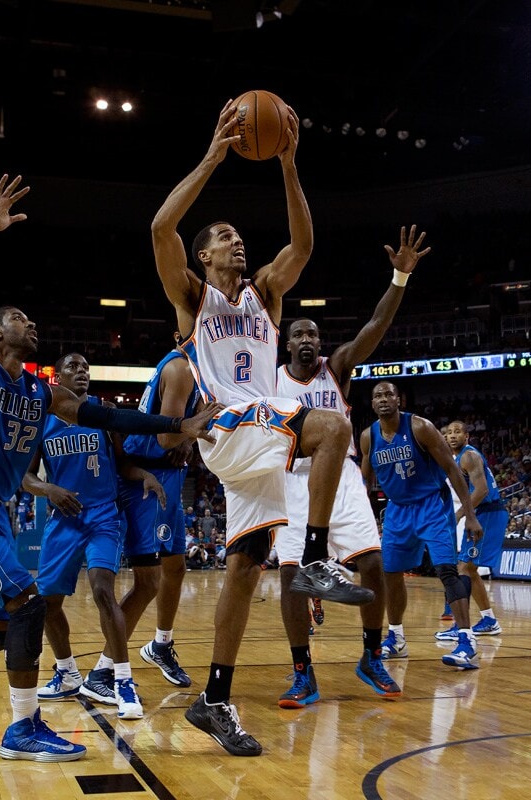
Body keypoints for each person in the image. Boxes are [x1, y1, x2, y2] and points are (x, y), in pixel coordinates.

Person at [0, 175, 219, 762]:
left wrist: (174, 429)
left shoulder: (41, 393)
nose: (30, 324)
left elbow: (106, 419)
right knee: (31, 606)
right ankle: (22, 729)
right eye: (18, 318)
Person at [151, 99, 372, 757]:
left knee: (243, 568)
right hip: (235, 424)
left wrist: (289, 162)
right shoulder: (195, 299)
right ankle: (313, 561)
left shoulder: (267, 293)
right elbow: (162, 225)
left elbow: (302, 245)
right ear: (204, 255)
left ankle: (214, 699)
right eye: (222, 235)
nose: (235, 240)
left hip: (259, 448)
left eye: (236, 235)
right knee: (332, 426)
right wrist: (215, 156)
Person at [274, 224, 431, 707]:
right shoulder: (272, 380)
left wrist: (399, 279)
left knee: (374, 563)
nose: (307, 339)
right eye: (299, 333)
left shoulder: (336, 368)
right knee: (290, 577)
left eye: (313, 334)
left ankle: (371, 656)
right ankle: (303, 673)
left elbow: (375, 327)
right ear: (286, 343)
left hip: (340, 477)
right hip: (293, 481)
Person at [23, 352, 165, 719]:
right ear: (58, 376)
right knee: (47, 604)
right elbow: (25, 477)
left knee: (103, 589)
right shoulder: (42, 418)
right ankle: (67, 672)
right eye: (73, 367)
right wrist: (49, 490)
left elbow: (121, 463)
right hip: (62, 519)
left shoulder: (102, 414)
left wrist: (142, 474)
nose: (81, 372)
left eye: (85, 368)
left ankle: (122, 681)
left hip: (104, 516)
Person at [81, 335, 201, 702]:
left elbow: (175, 434)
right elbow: (166, 436)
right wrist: (191, 432)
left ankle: (161, 644)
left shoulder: (199, 369)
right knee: (149, 582)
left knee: (176, 567)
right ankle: (102, 670)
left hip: (168, 478)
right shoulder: (181, 367)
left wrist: (187, 439)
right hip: (146, 481)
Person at [360, 382, 484, 671]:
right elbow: (363, 482)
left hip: (431, 504)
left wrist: (470, 514)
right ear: (372, 403)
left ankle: (466, 641)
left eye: (389, 394)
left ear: (399, 399)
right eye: (378, 396)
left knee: (447, 571)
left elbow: (453, 470)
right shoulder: (368, 437)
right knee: (390, 574)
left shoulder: (420, 427)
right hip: (397, 510)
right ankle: (397, 638)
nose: (384, 399)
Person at [434, 419, 508, 642]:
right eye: (449, 433)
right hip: (481, 513)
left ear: (467, 436)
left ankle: (460, 625)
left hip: (488, 513)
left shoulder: (468, 455)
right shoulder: (453, 459)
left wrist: (459, 515)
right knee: (469, 569)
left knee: (464, 568)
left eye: (458, 432)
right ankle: (489, 620)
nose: (453, 435)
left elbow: (483, 490)